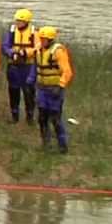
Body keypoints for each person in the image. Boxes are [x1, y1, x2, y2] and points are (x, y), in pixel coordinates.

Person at [36, 25, 75, 153]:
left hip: (54, 89)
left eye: (43, 39)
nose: (41, 41)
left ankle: (62, 144)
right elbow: (32, 55)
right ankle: (45, 142)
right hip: (42, 88)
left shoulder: (58, 51)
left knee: (55, 118)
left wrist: (60, 85)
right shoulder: (39, 49)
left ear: (50, 40)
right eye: (40, 38)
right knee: (42, 117)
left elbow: (67, 72)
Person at [3, 8, 39, 125]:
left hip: (28, 67)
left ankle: (30, 116)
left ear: (27, 22)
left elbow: (38, 48)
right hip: (13, 66)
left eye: (20, 21)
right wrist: (11, 53)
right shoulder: (12, 31)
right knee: (13, 91)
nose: (18, 23)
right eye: (17, 20)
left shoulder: (34, 32)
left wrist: (25, 52)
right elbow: (5, 46)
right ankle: (14, 116)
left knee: (29, 92)